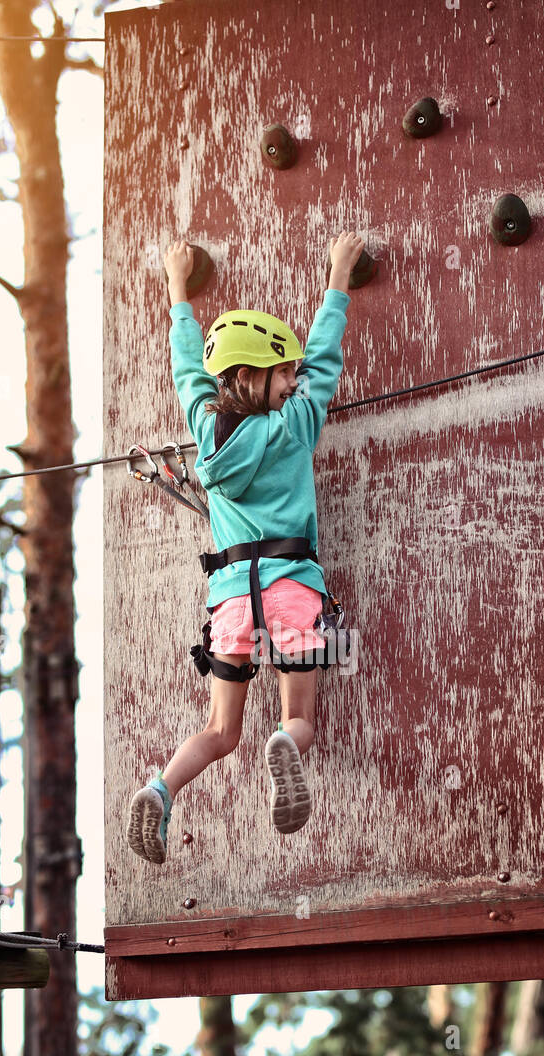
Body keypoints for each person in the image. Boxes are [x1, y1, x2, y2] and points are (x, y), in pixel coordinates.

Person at [127, 231, 364, 865]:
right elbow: (324, 356)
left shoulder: (206, 428)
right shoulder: (295, 425)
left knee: (220, 730)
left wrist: (179, 289)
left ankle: (160, 787)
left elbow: (187, 369)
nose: (294, 380)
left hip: (231, 601)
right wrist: (338, 270)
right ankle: (286, 743)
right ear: (258, 375)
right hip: (291, 590)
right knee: (300, 719)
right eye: (283, 371)